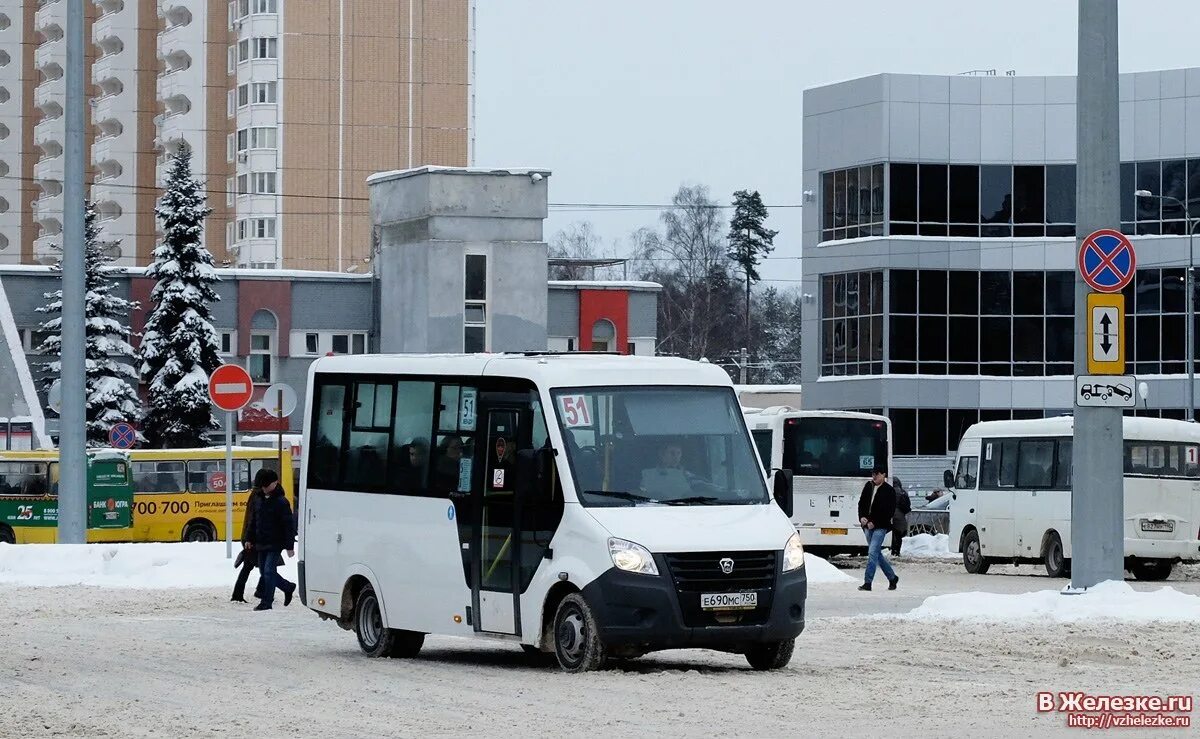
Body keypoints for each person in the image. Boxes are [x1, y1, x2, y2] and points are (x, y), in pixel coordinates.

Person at [252, 469, 297, 611]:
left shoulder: (281, 502)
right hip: (261, 541)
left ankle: (266, 602)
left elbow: (288, 525)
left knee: (268, 571)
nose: (264, 489)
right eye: (262, 486)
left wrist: (290, 546)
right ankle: (287, 587)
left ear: (275, 483)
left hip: (275, 543)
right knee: (264, 573)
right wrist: (249, 538)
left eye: (266, 485)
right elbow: (253, 521)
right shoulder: (258, 499)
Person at [231, 471, 272, 603]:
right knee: (265, 566)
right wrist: (250, 538)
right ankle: (256, 592)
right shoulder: (258, 496)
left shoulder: (255, 494)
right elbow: (254, 519)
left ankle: (244, 593)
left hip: (251, 536)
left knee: (255, 566)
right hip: (254, 537)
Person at [857, 466, 899, 592]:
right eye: (873, 474)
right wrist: (862, 518)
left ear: (883, 475)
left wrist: (874, 522)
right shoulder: (868, 486)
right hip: (867, 526)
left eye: (877, 474)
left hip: (880, 527)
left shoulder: (889, 491)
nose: (874, 476)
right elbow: (862, 503)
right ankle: (892, 578)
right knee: (876, 553)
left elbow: (888, 511)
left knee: (872, 553)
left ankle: (867, 582)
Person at [890, 476, 912, 557]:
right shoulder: (903, 492)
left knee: (891, 534)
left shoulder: (888, 491)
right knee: (899, 534)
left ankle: (892, 550)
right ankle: (897, 551)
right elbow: (908, 505)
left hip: (890, 514)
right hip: (900, 515)